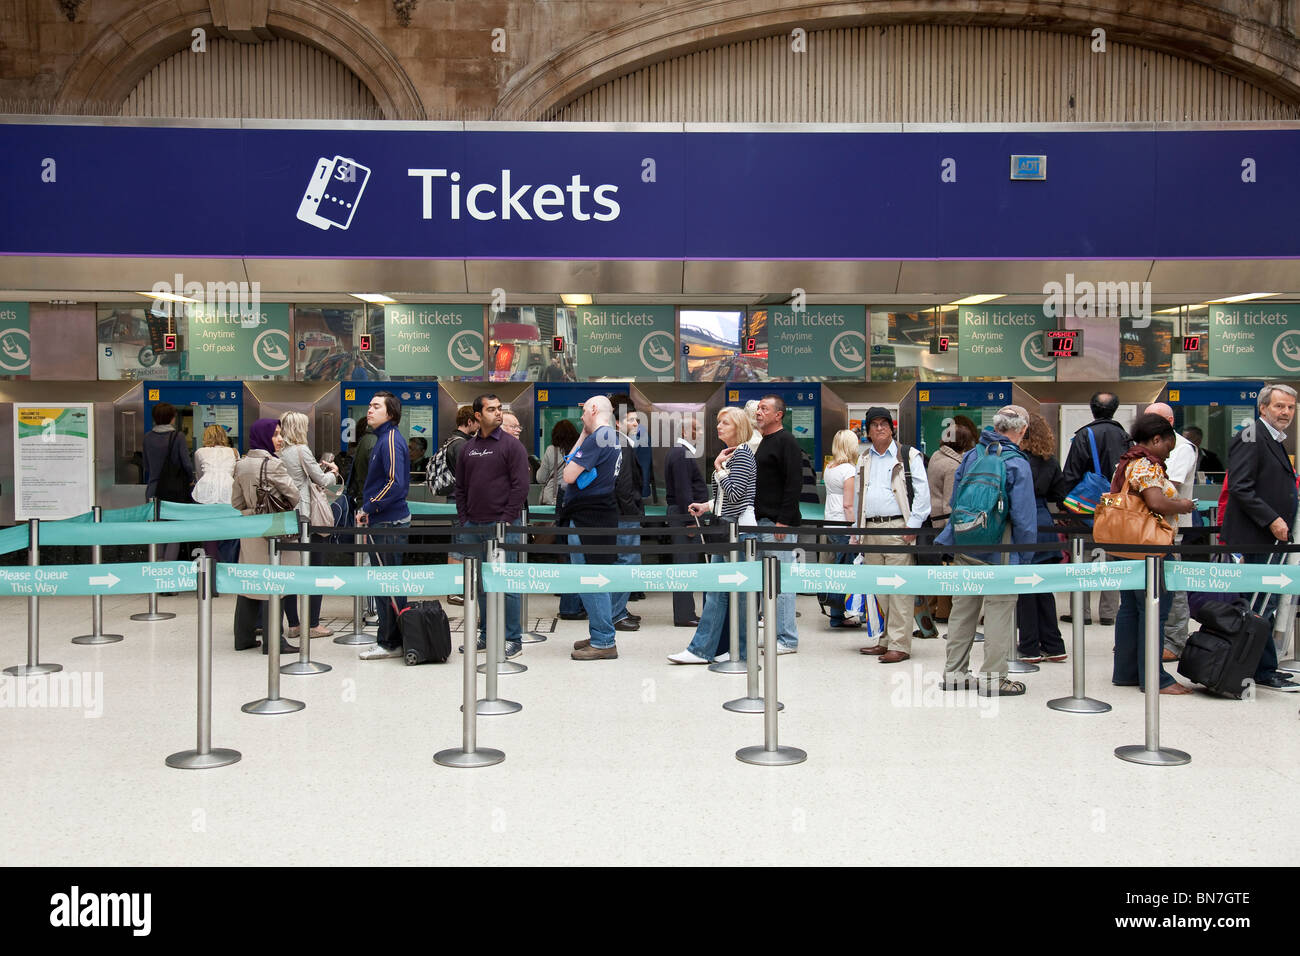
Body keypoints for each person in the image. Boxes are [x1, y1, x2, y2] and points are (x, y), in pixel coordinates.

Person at [934, 405, 1037, 697]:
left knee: (962, 611)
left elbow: (955, 501)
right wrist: (1026, 558)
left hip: (967, 545)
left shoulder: (972, 456)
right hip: (1001, 551)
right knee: (998, 613)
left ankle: (954, 673)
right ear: (1022, 429)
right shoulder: (1016, 463)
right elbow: (1025, 518)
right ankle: (993, 679)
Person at [1109, 413, 1196, 695]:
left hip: (1125, 545)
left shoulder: (1127, 461)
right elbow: (1156, 502)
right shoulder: (1147, 465)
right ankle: (1154, 678)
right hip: (1150, 548)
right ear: (1157, 439)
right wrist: (1182, 505)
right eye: (1168, 448)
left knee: (1130, 609)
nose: (1168, 455)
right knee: (1154, 610)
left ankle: (1126, 672)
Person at [1221, 384, 1300, 692]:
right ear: (1263, 408)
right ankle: (1262, 669)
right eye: (1280, 406)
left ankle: (1264, 666)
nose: (1286, 413)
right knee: (1258, 604)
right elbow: (1241, 486)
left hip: (1270, 538)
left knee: (1264, 603)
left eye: (1291, 408)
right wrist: (1273, 519)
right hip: (1256, 536)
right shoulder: (1251, 435)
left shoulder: (1274, 438)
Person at [668, 407, 757, 663]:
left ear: (738, 427)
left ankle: (702, 649)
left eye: (725, 423)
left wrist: (718, 468)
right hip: (731, 529)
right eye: (719, 422)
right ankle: (733, 649)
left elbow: (737, 495)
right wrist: (707, 506)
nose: (719, 427)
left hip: (733, 532)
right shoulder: (736, 454)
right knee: (728, 593)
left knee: (719, 592)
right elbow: (728, 497)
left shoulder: (740, 456)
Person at [454, 393, 530, 660]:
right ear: (477, 416)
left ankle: (512, 638)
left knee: (507, 584)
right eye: (491, 410)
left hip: (504, 526)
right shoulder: (468, 448)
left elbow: (521, 486)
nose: (497, 413)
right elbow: (460, 488)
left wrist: (506, 519)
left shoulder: (512, 446)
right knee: (481, 584)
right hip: (474, 526)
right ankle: (486, 634)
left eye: (500, 409)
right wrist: (464, 519)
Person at [855, 407, 931, 663]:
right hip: (871, 529)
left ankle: (900, 644)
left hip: (899, 529)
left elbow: (922, 492)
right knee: (879, 590)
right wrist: (858, 530)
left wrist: (914, 525)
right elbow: (859, 495)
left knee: (899, 589)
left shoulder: (907, 455)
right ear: (867, 430)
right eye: (874, 424)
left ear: (892, 427)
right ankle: (885, 639)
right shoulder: (864, 458)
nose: (879, 428)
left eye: (883, 423)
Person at [1061, 391, 1132, 626]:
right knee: (1112, 558)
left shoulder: (1084, 435)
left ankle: (1082, 613)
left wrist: (1065, 506)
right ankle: (1110, 613)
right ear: (1115, 409)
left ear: (1093, 409)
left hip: (1087, 508)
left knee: (1081, 558)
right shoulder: (1125, 437)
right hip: (1117, 508)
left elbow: (1071, 474)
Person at [229, 418, 299, 655]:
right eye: (276, 434)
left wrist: (251, 512)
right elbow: (294, 495)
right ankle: (273, 640)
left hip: (248, 529)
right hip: (273, 528)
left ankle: (243, 638)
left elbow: (235, 503)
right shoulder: (274, 465)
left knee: (249, 581)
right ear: (264, 436)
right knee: (275, 581)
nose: (280, 439)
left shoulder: (241, 464)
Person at [561, 395, 622, 661]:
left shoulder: (599, 437)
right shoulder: (609, 436)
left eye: (584, 411)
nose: (581, 417)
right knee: (595, 577)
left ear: (594, 409)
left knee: (590, 578)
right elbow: (572, 464)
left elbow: (568, 475)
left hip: (588, 518)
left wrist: (586, 435)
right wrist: (584, 434)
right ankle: (600, 631)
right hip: (600, 514)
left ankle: (603, 640)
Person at [356, 391, 411, 661]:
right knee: (388, 582)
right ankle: (392, 638)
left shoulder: (389, 439)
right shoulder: (383, 439)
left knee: (387, 583)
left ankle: (389, 641)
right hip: (385, 520)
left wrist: (370, 506)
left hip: (388, 521)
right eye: (370, 405)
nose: (370, 410)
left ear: (390, 414)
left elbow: (394, 482)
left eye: (376, 406)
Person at [278, 410, 341, 641]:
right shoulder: (300, 450)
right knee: (315, 568)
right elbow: (321, 480)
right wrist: (333, 473)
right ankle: (313, 623)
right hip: (307, 516)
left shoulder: (280, 452)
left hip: (287, 516)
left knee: (291, 570)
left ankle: (293, 624)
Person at [1144, 403, 1198, 663]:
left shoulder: (1181, 448)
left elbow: (1168, 488)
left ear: (1170, 421)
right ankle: (1148, 637)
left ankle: (1175, 641)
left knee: (1172, 584)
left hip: (1169, 528)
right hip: (1145, 529)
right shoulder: (1140, 449)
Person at [1015, 413, 1071, 663]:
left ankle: (1029, 647)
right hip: (1044, 523)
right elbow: (1061, 495)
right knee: (1045, 588)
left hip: (1022, 522)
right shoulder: (1050, 460)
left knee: (1025, 588)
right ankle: (1054, 645)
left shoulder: (1015, 459)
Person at [753, 394, 803, 653]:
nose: (759, 412)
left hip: (777, 526)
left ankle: (786, 639)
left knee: (781, 584)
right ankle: (774, 634)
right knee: (767, 584)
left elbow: (794, 483)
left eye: (764, 408)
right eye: (758, 408)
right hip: (763, 524)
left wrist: (782, 521)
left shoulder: (787, 442)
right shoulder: (765, 441)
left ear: (778, 414)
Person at [923, 416, 976, 623]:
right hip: (944, 521)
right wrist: (953, 530)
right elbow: (949, 502)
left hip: (932, 518)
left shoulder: (936, 456)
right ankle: (944, 610)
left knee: (938, 566)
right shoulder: (954, 466)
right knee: (948, 566)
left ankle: (934, 605)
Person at [664, 413, 708, 627]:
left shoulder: (681, 452)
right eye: (696, 430)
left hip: (683, 515)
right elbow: (684, 490)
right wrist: (689, 521)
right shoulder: (682, 454)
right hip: (685, 517)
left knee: (686, 564)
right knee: (684, 565)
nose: (700, 434)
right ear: (684, 432)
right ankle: (684, 615)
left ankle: (686, 613)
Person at [607, 395, 645, 633]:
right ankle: (616, 613)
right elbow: (623, 486)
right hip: (624, 516)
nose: (636, 424)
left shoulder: (621, 443)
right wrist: (632, 513)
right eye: (631, 420)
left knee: (622, 561)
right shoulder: (622, 445)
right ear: (618, 423)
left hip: (620, 514)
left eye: (637, 420)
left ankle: (618, 609)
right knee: (626, 562)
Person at [143, 401, 194, 561]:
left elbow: (145, 465)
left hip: (153, 490)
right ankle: (169, 566)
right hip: (174, 491)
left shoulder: (147, 438)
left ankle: (157, 563)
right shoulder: (177, 436)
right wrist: (191, 479)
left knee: (157, 530)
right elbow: (186, 463)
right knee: (174, 529)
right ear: (172, 418)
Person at [440, 404, 479, 605]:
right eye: (476, 422)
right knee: (459, 543)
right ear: (469, 421)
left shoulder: (451, 440)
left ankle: (455, 588)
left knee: (458, 541)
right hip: (459, 500)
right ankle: (454, 590)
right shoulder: (462, 444)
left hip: (454, 498)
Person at [820, 429, 859, 629]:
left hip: (831, 522)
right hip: (844, 525)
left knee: (837, 568)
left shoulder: (830, 467)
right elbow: (848, 504)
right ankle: (839, 614)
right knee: (845, 571)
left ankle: (837, 612)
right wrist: (854, 532)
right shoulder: (849, 470)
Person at [192, 424, 239, 561]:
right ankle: (227, 562)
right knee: (228, 532)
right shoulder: (233, 452)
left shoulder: (200, 452)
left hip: (205, 491)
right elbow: (236, 473)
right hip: (228, 492)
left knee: (209, 531)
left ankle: (211, 562)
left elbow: (199, 474)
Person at [538, 419, 579, 507]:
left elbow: (541, 478)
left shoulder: (551, 450)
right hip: (575, 497)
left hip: (553, 498)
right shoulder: (579, 451)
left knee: (552, 521)